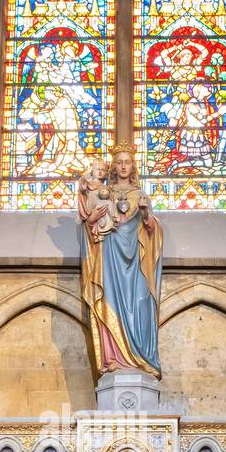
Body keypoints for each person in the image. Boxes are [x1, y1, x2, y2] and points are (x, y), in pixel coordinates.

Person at [78, 145, 164, 379]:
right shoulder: (103, 192)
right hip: (109, 255)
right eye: (119, 162)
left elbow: (152, 231)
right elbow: (90, 224)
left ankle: (140, 360)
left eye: (128, 161)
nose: (124, 166)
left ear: (133, 166)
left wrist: (146, 213)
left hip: (137, 261)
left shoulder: (141, 195)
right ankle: (113, 359)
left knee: (141, 305)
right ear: (113, 167)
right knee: (109, 301)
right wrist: (92, 220)